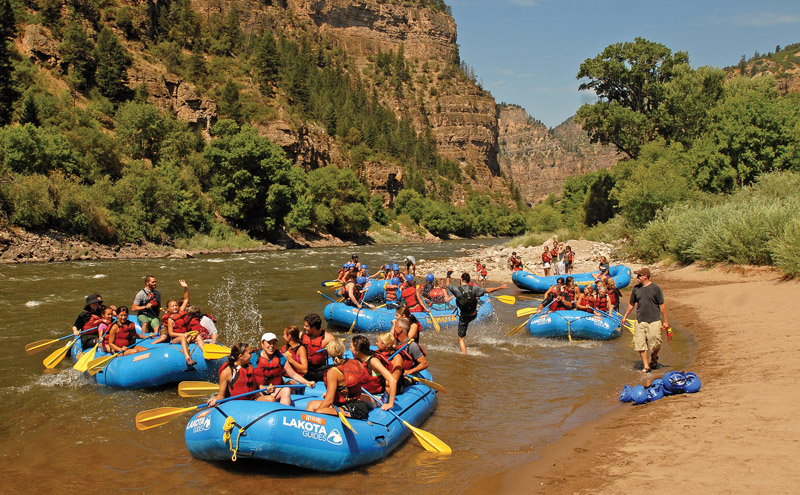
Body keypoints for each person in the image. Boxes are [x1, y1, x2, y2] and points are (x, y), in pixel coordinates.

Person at [446, 270, 508, 354]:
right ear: (469, 281)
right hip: (473, 315)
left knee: (461, 337)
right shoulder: (474, 289)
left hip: (464, 317)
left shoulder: (456, 289)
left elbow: (447, 285)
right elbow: (489, 290)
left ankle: (464, 354)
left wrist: (448, 274)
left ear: (461, 279)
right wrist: (501, 287)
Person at [305, 339, 370, 420]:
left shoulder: (332, 372)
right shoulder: (356, 362)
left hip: (354, 408)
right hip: (350, 404)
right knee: (311, 404)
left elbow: (329, 400)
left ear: (329, 353)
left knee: (319, 411)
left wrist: (318, 411)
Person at [620, 268, 669, 373]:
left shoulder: (655, 288)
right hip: (640, 320)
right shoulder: (636, 289)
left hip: (654, 319)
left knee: (656, 342)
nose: (637, 277)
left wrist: (666, 321)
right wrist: (625, 316)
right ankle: (646, 366)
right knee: (640, 343)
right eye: (637, 275)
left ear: (646, 276)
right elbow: (631, 304)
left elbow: (662, 305)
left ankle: (654, 356)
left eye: (639, 275)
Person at [208, 343, 273, 406]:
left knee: (271, 399)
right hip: (235, 405)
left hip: (251, 401)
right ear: (241, 356)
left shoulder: (249, 367)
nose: (252, 355)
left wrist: (265, 388)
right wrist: (215, 400)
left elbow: (256, 385)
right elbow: (221, 395)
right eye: (249, 353)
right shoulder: (227, 372)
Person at [352, 335, 396, 410]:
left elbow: (392, 380)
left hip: (377, 397)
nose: (350, 349)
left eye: (351, 347)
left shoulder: (373, 361)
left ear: (357, 350)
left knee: (354, 397)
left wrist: (390, 403)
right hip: (365, 394)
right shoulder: (356, 361)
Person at [253, 332, 293, 405]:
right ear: (262, 344)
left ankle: (283, 413)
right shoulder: (253, 357)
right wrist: (259, 386)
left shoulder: (280, 357)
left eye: (274, 343)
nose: (271, 345)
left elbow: (294, 375)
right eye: (269, 343)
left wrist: (307, 382)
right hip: (258, 391)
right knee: (270, 399)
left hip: (274, 390)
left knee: (287, 389)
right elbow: (247, 376)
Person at [154, 279, 189, 345]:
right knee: (163, 338)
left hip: (175, 329)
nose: (175, 307)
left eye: (176, 306)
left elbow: (186, 299)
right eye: (172, 306)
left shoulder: (180, 310)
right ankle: (151, 346)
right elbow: (170, 332)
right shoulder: (169, 317)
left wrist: (186, 288)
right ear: (168, 309)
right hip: (167, 328)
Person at [301, 313, 334, 382]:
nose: (304, 327)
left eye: (306, 326)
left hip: (319, 369)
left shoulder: (328, 338)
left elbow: (337, 356)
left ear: (314, 328)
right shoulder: (301, 335)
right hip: (304, 368)